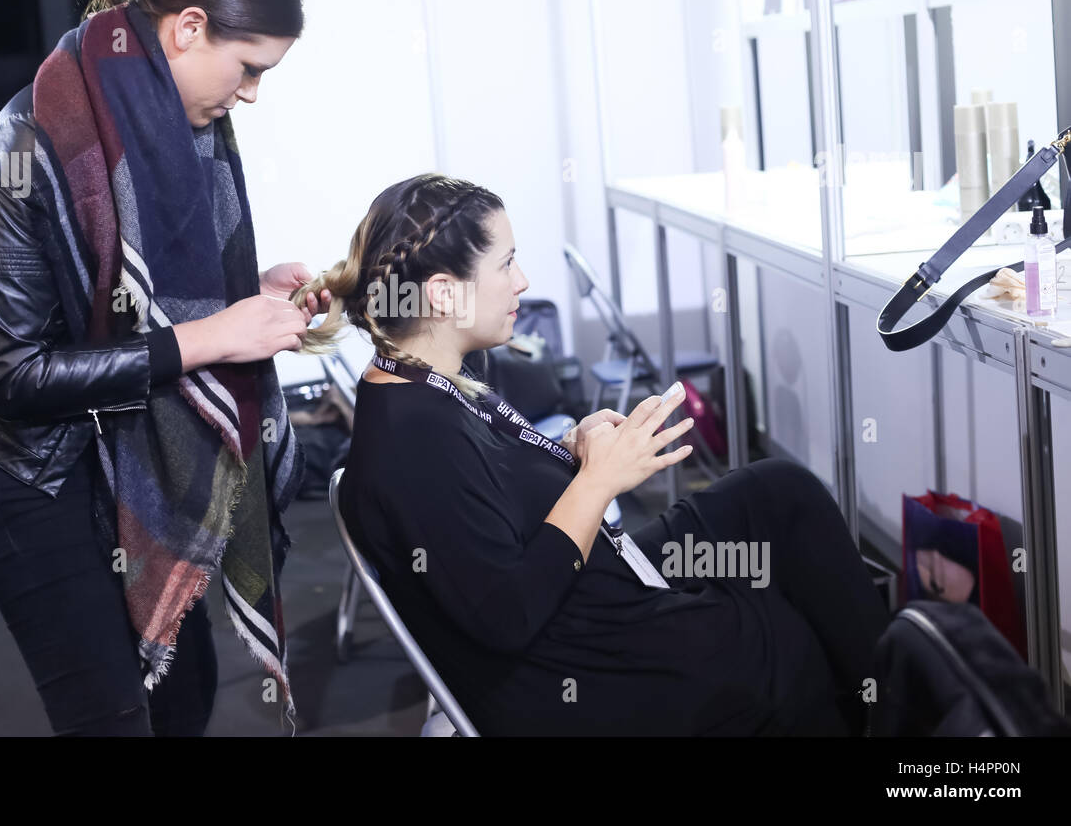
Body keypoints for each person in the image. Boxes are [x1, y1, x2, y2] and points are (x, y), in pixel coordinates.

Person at [0, 0, 331, 736]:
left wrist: (244, 295)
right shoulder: (34, 138)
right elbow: (9, 377)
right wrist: (214, 338)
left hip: (112, 439)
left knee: (183, 690)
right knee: (112, 718)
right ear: (188, 28)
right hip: (12, 465)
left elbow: (145, 291)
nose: (250, 94)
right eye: (249, 69)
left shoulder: (175, 123)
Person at [291, 173, 892, 736]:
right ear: (444, 293)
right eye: (505, 263)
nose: (522, 280)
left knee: (778, 496)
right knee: (779, 635)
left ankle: (897, 701)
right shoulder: (413, 441)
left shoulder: (423, 377)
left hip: (579, 586)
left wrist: (569, 454)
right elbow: (508, 614)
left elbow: (490, 497)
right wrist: (595, 483)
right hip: (570, 667)